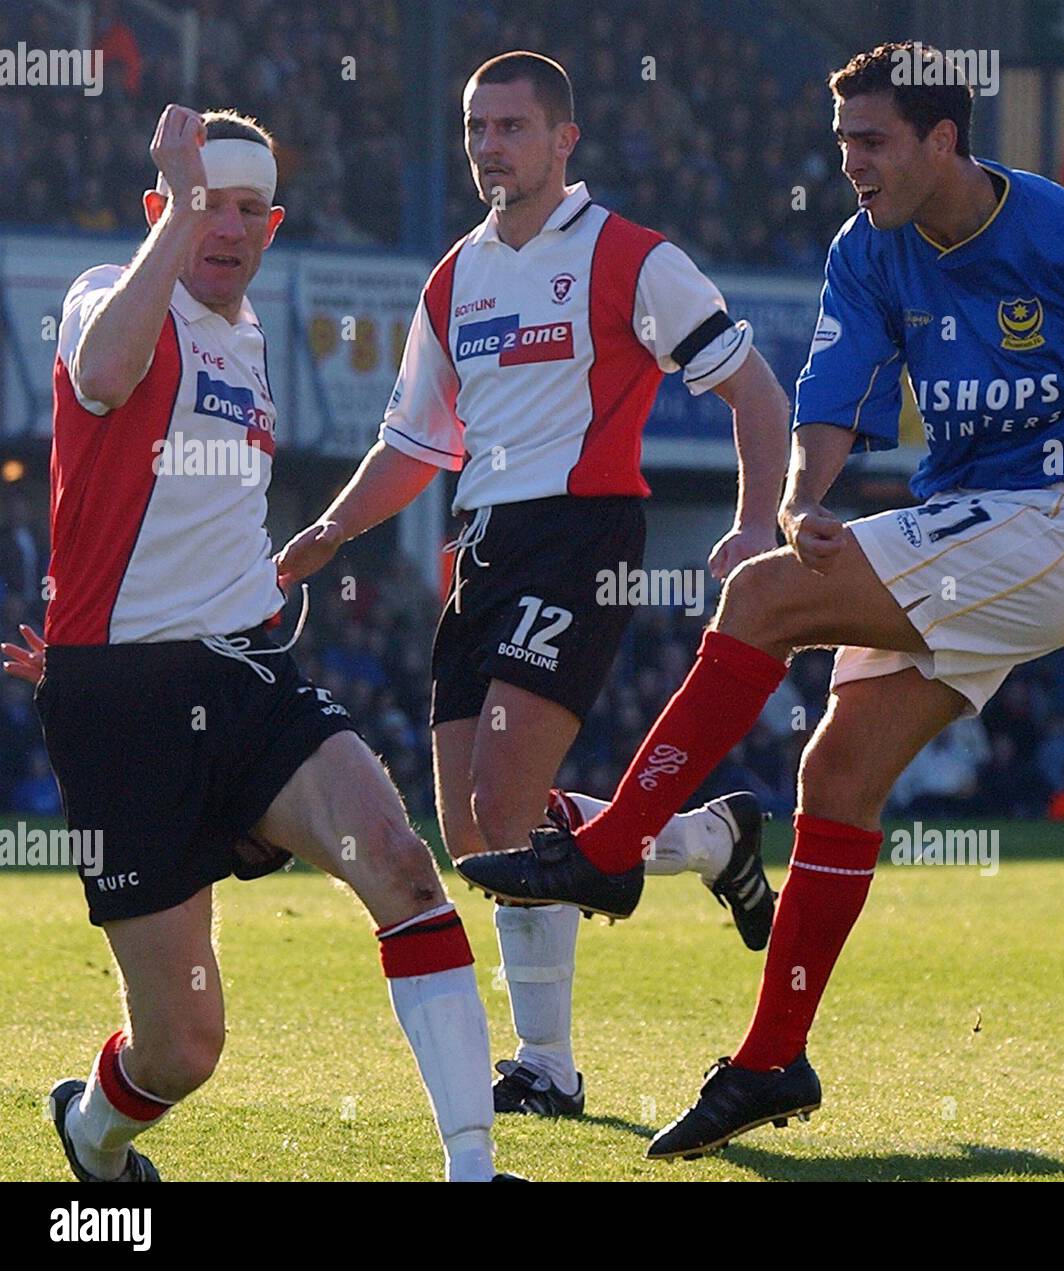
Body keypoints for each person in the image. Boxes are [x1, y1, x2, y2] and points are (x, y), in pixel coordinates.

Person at [457, 41, 1064, 1160]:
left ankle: (615, 847)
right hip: (975, 524)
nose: (853, 168)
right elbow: (825, 402)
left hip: (1056, 520)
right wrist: (794, 501)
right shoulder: (865, 250)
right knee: (832, 771)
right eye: (841, 147)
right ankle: (771, 1057)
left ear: (942, 140)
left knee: (765, 603)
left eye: (872, 143)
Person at [2, 105, 514, 1183]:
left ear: (272, 224)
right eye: (201, 205)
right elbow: (101, 373)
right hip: (119, 705)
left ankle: (473, 1165)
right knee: (184, 1047)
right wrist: (96, 652)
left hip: (245, 673)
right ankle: (92, 1135)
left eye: (244, 210)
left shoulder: (249, 340)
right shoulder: (110, 291)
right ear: (162, 207)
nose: (222, 228)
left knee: (405, 867)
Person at [275, 52, 790, 1119]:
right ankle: (707, 837)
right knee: (480, 838)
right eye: (476, 129)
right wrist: (330, 528)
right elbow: (413, 442)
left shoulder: (632, 257)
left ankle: (545, 1068)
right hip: (484, 546)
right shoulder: (453, 277)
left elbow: (757, 393)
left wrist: (751, 526)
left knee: (505, 800)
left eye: (511, 127)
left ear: (565, 141)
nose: (489, 147)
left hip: (584, 535)